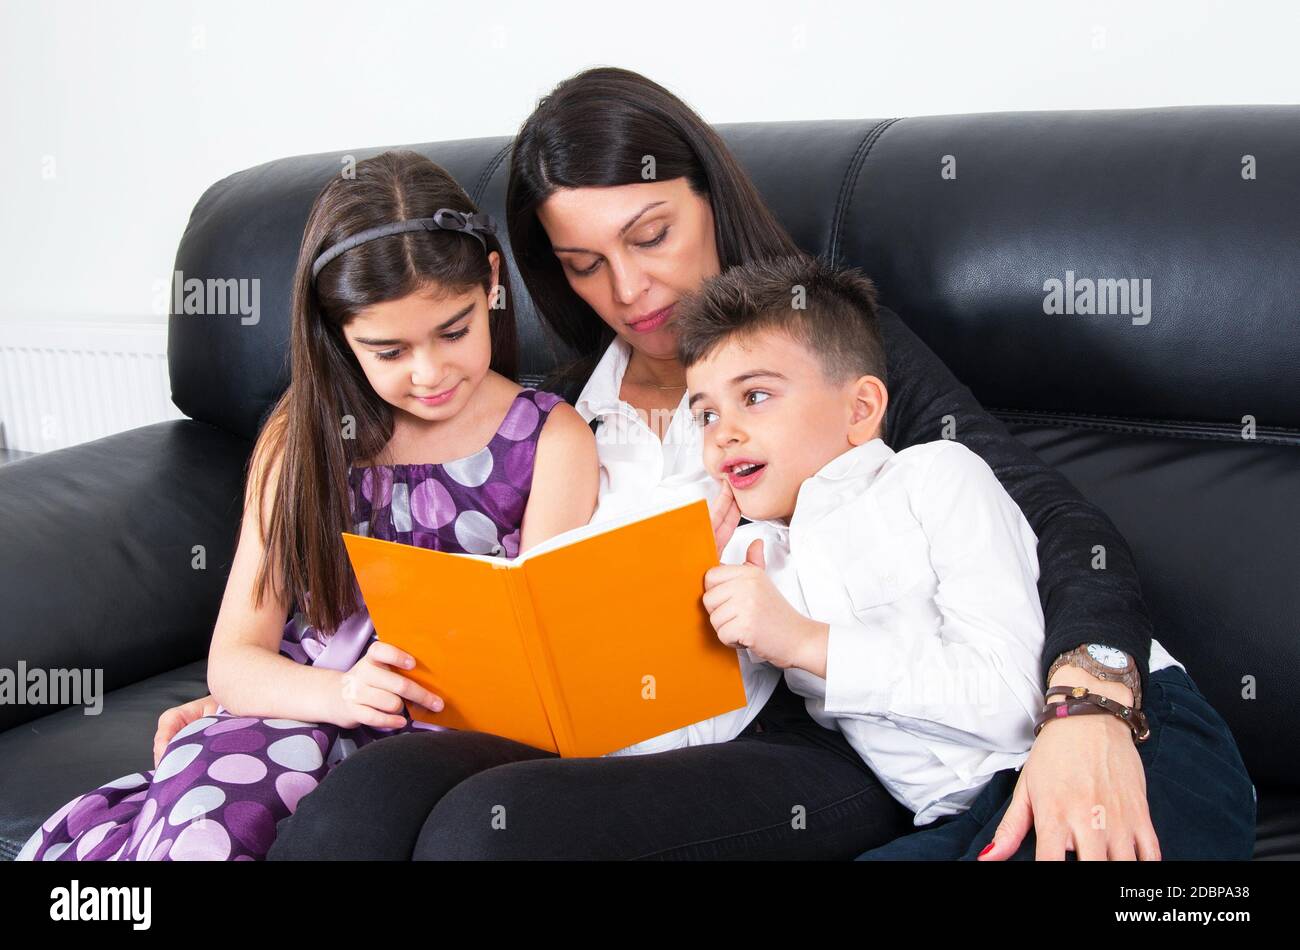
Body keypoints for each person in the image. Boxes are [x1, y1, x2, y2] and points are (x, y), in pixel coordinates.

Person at [167, 67, 1252, 860]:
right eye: (583, 263)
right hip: (670, 727)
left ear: (706, 197)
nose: (628, 290)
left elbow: (1060, 520)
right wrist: (280, 696)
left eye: (651, 234)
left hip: (867, 725)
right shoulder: (562, 412)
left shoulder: (816, 350)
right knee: (361, 810)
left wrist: (1090, 702)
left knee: (487, 840)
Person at [15, 150, 597, 861]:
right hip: (310, 703)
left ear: (493, 286)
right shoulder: (303, 438)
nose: (431, 372)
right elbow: (236, 659)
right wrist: (338, 694)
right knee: (206, 830)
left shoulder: (550, 439)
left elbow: (545, 669)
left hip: (453, 740)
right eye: (387, 350)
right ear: (338, 335)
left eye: (454, 330)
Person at [676, 254, 1248, 853]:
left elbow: (1008, 703)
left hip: (1115, 731)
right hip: (965, 813)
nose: (723, 432)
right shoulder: (755, 561)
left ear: (861, 409)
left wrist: (805, 643)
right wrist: (681, 585)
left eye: (757, 396)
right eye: (706, 413)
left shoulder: (934, 478)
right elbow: (696, 737)